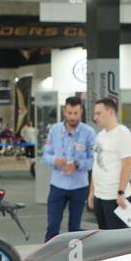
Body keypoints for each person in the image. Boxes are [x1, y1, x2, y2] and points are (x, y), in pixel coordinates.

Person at [41, 95, 95, 241]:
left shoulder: (89, 133)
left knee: (74, 228)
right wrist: (55, 160)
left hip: (79, 187)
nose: (72, 117)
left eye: (76, 113)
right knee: (52, 226)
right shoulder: (54, 130)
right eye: (69, 113)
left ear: (81, 112)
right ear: (65, 111)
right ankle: (49, 259)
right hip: (58, 185)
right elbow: (45, 155)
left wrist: (77, 165)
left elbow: (94, 160)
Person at [88, 96, 131, 230]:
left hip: (115, 198)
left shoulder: (123, 134)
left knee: (117, 239)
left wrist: (121, 193)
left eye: (98, 113)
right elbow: (96, 164)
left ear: (110, 112)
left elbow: (127, 164)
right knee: (104, 235)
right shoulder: (100, 135)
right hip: (100, 196)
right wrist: (92, 192)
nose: (95, 117)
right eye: (95, 113)